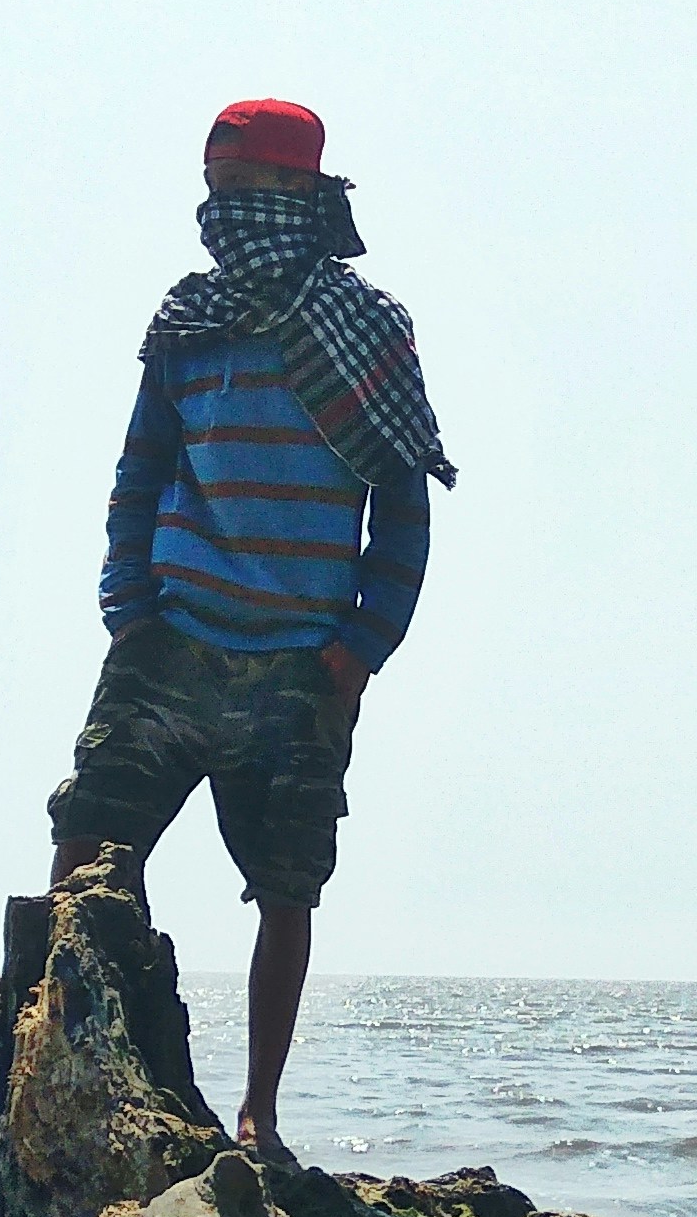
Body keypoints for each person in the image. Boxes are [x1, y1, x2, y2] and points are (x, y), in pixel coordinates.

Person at [48, 97, 453, 1155]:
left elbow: (404, 505)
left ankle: (259, 1114)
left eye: (247, 192)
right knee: (88, 845)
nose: (226, 211)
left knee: (286, 887)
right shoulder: (188, 324)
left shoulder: (367, 331)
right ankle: (70, 1071)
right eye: (214, 189)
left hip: (300, 666)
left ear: (298, 197)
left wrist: (359, 650)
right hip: (171, 639)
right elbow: (139, 476)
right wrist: (128, 611)